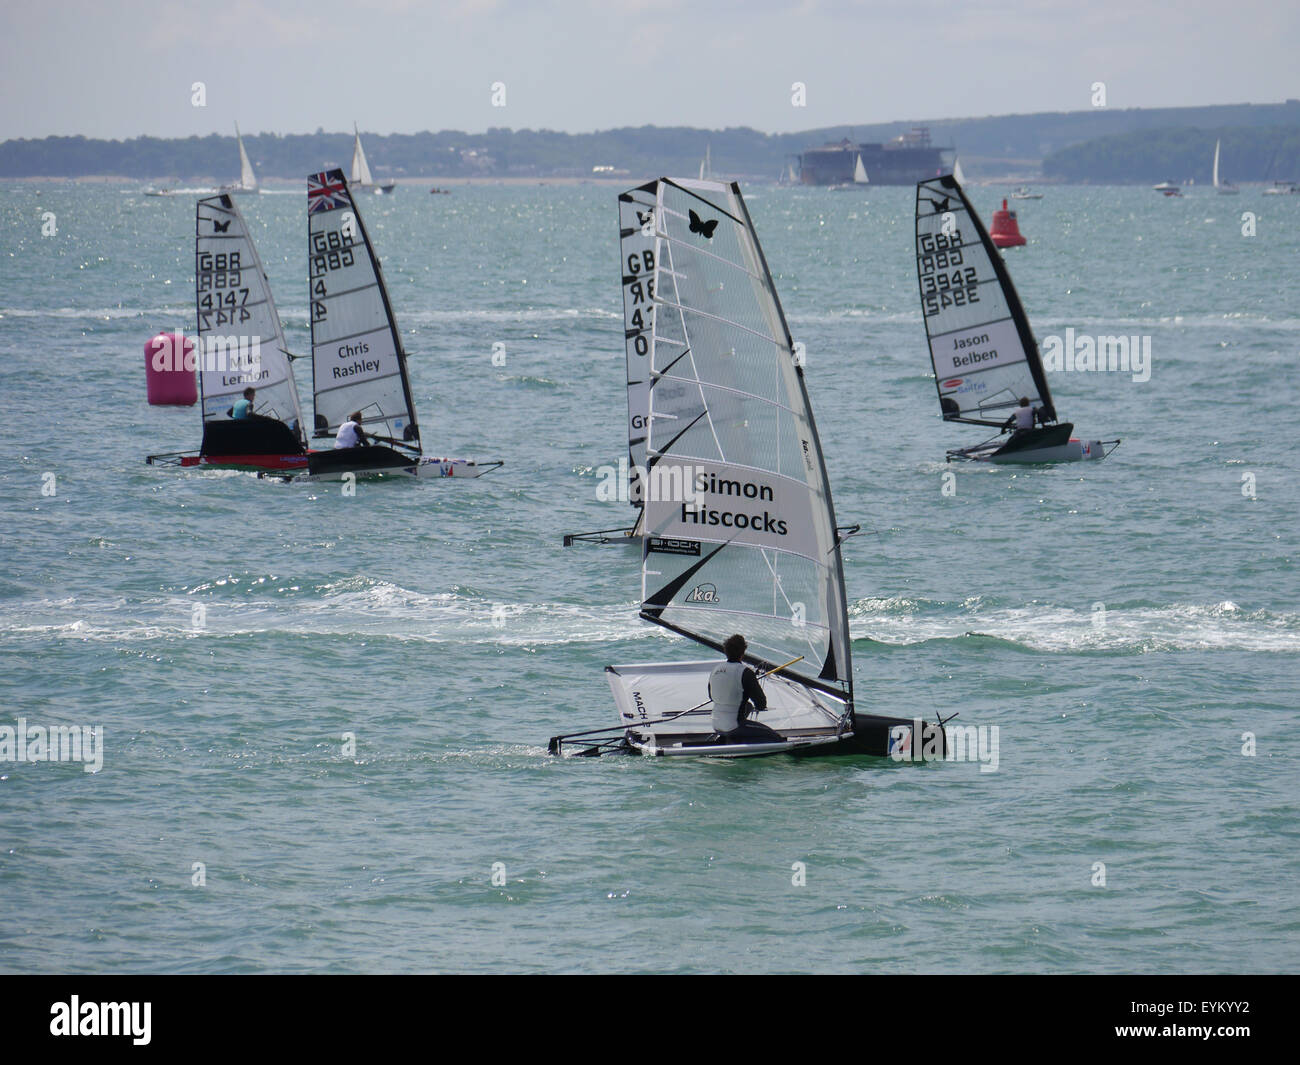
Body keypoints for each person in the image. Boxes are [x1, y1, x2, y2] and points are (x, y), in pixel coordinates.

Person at [708, 634, 783, 744]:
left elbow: (712, 696)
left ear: (726, 651)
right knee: (775, 737)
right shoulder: (745, 672)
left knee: (747, 706)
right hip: (734, 726)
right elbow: (761, 703)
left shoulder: (715, 670)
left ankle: (728, 738)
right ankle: (739, 740)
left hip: (716, 724)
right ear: (743, 652)